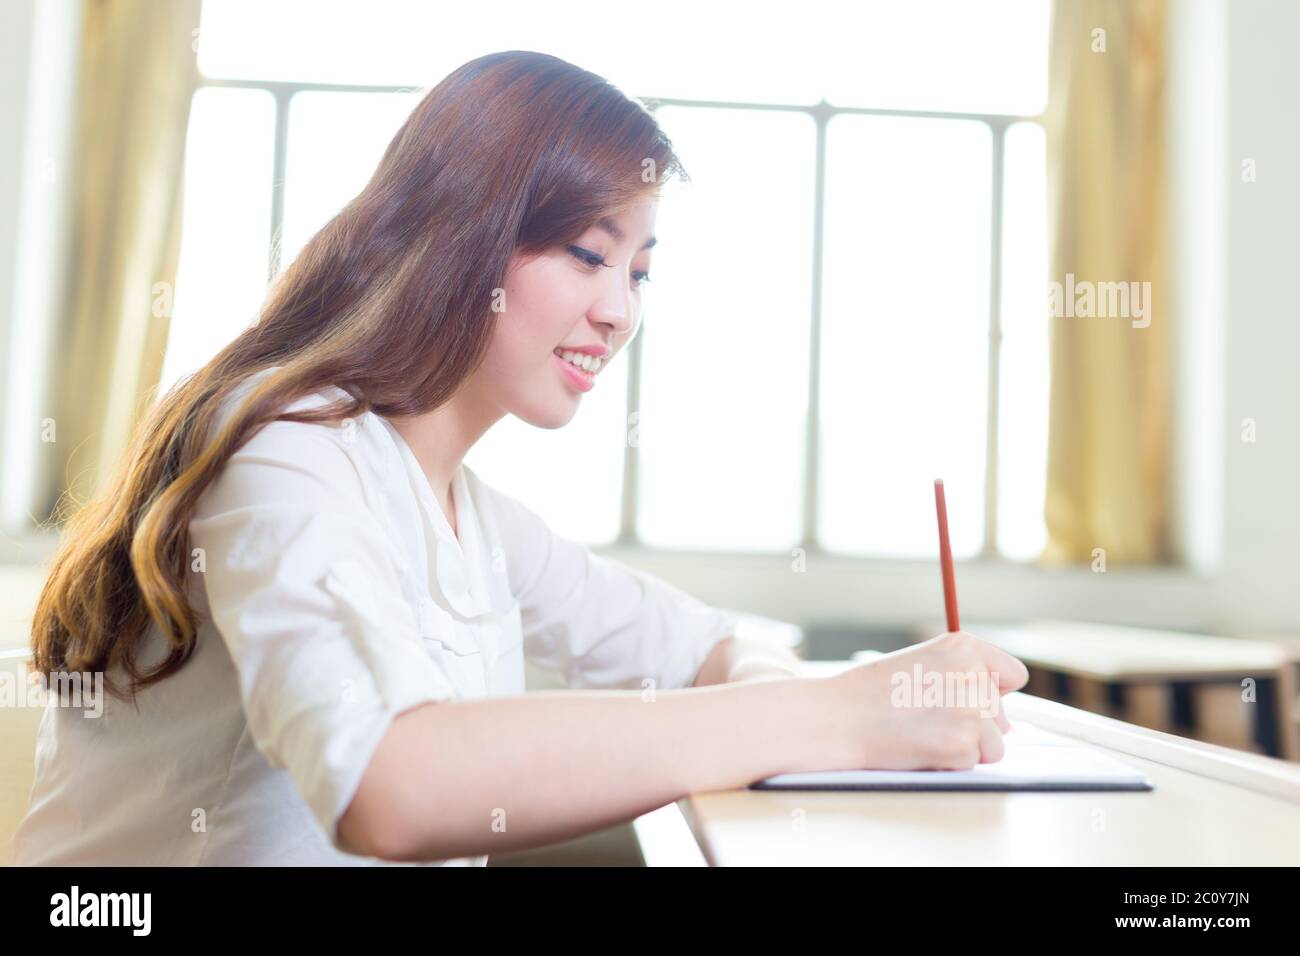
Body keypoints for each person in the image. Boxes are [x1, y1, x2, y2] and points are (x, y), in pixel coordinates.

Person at [12, 50, 1028, 866]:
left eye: (638, 270)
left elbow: (705, 641)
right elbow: (388, 786)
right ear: (461, 236)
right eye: (588, 254)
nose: (619, 309)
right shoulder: (285, 453)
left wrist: (807, 701)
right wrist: (832, 715)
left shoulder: (473, 515)